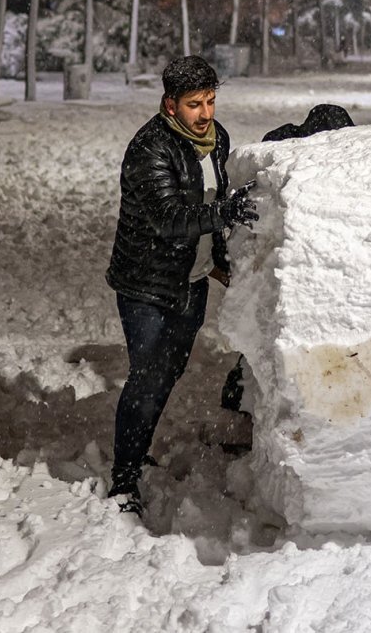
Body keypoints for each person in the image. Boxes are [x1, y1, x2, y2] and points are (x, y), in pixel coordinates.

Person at [105, 55, 258, 514]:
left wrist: (221, 260)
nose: (206, 113)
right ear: (170, 104)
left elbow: (213, 202)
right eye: (195, 104)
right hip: (146, 286)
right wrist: (223, 214)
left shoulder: (217, 140)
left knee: (168, 374)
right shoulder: (150, 150)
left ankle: (139, 450)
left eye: (210, 101)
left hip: (191, 281)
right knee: (147, 377)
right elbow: (170, 219)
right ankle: (124, 478)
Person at [218, 104, 356, 417]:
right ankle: (236, 406)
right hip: (268, 266)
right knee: (257, 340)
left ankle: (239, 403)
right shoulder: (282, 152)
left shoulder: (334, 154)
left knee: (262, 342)